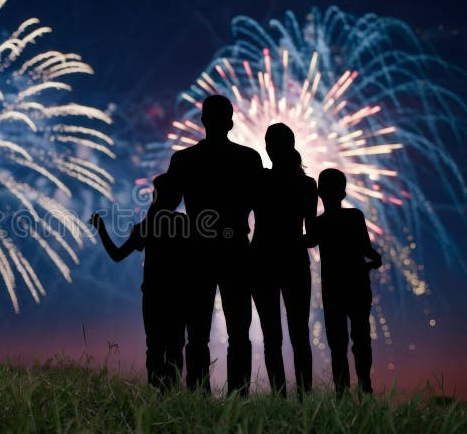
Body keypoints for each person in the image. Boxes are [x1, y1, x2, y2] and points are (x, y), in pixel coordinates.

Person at [145, 94, 263, 395]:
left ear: (203, 120)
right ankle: (239, 396)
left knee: (197, 334)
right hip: (236, 249)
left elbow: (164, 206)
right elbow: (260, 207)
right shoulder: (249, 159)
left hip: (196, 252)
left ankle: (198, 393)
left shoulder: (184, 160)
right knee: (239, 333)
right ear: (230, 122)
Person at [90, 174, 188, 389]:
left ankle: (158, 393)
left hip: (153, 294)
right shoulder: (184, 223)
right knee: (175, 347)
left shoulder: (147, 225)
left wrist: (101, 230)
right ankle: (172, 392)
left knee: (154, 347)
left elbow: (117, 255)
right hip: (179, 295)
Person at [250, 123, 318, 398]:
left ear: (268, 147)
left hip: (261, 261)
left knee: (271, 338)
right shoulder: (307, 184)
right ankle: (305, 399)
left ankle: (279, 399)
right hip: (294, 261)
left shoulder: (259, 179)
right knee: (300, 335)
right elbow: (312, 237)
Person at [312, 168, 382, 395]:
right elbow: (367, 249)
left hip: (332, 288)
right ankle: (365, 386)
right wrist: (375, 260)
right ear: (343, 193)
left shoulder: (319, 223)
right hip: (357, 284)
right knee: (361, 337)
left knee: (337, 344)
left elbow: (307, 241)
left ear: (319, 193)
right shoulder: (355, 216)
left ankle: (341, 392)